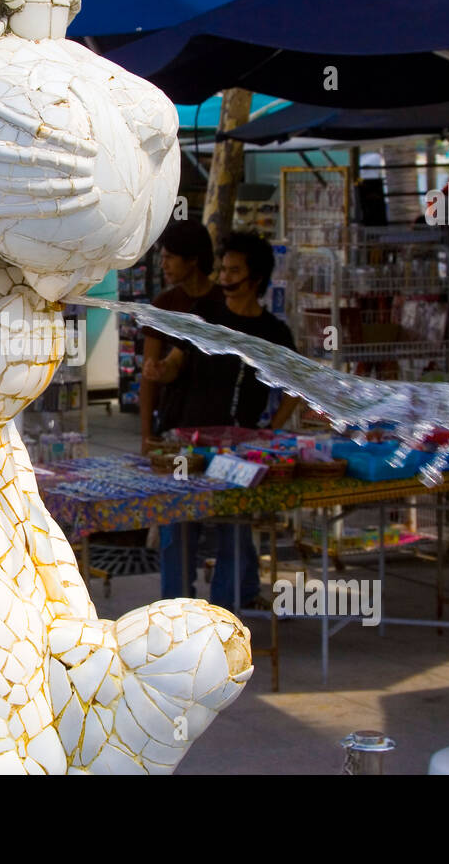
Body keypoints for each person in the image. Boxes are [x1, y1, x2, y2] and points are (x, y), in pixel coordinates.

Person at [142, 231, 301, 609]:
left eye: (234, 271)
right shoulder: (207, 317)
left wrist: (271, 431)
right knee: (178, 527)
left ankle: (226, 618)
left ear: (255, 278)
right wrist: (157, 371)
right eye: (224, 269)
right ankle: (177, 613)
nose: (226, 278)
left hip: (240, 452)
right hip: (186, 443)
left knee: (234, 531)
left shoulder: (273, 333)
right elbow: (174, 366)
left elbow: (295, 388)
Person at [138, 221, 224, 452]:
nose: (163, 265)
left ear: (193, 259)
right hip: (174, 417)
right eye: (162, 257)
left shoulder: (224, 302)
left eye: (170, 258)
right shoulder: (164, 305)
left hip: (220, 418)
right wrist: (146, 435)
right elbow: (149, 374)